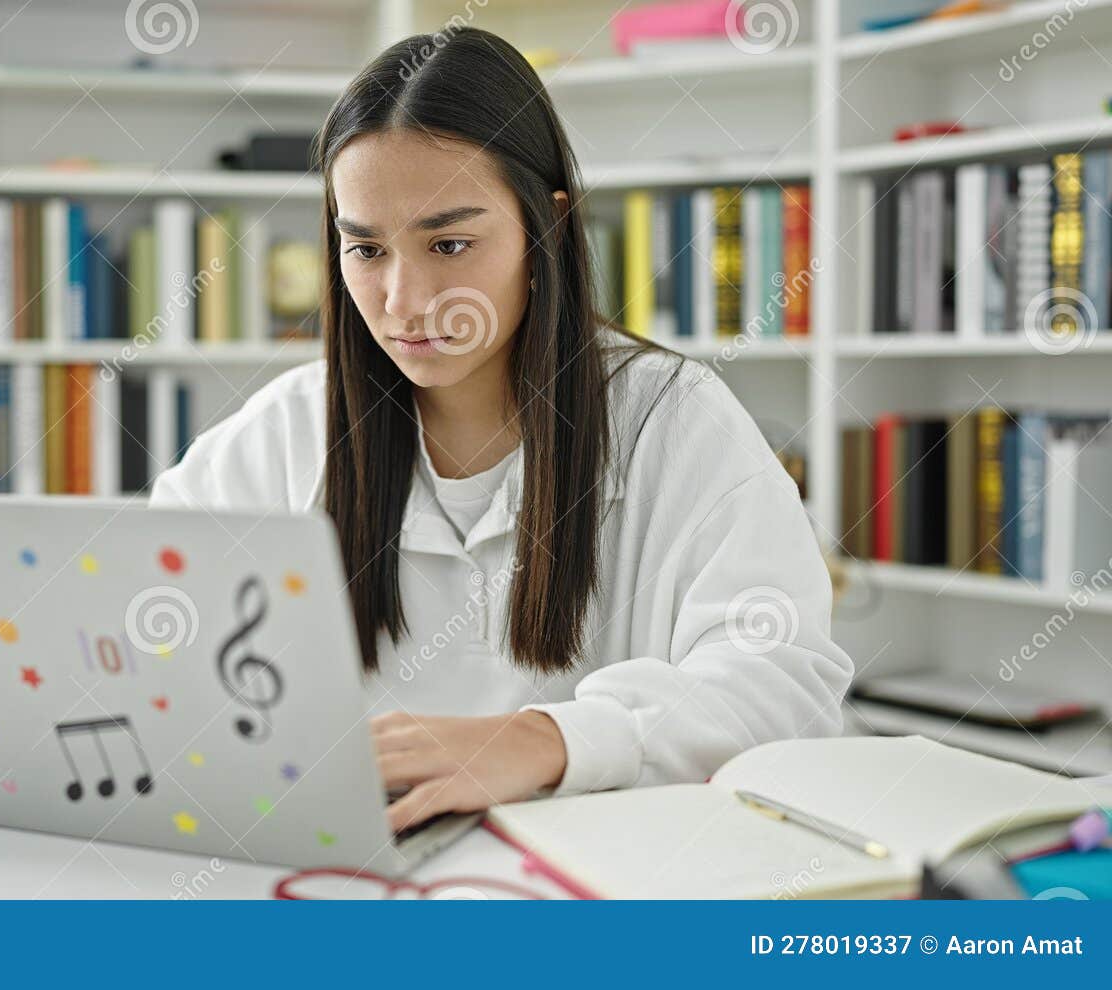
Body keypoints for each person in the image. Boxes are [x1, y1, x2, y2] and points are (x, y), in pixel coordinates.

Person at [149, 27, 852, 832]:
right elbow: (142, 630)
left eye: (449, 243)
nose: (406, 301)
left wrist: (551, 740)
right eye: (367, 250)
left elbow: (783, 683)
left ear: (545, 227)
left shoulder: (674, 417)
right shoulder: (283, 431)